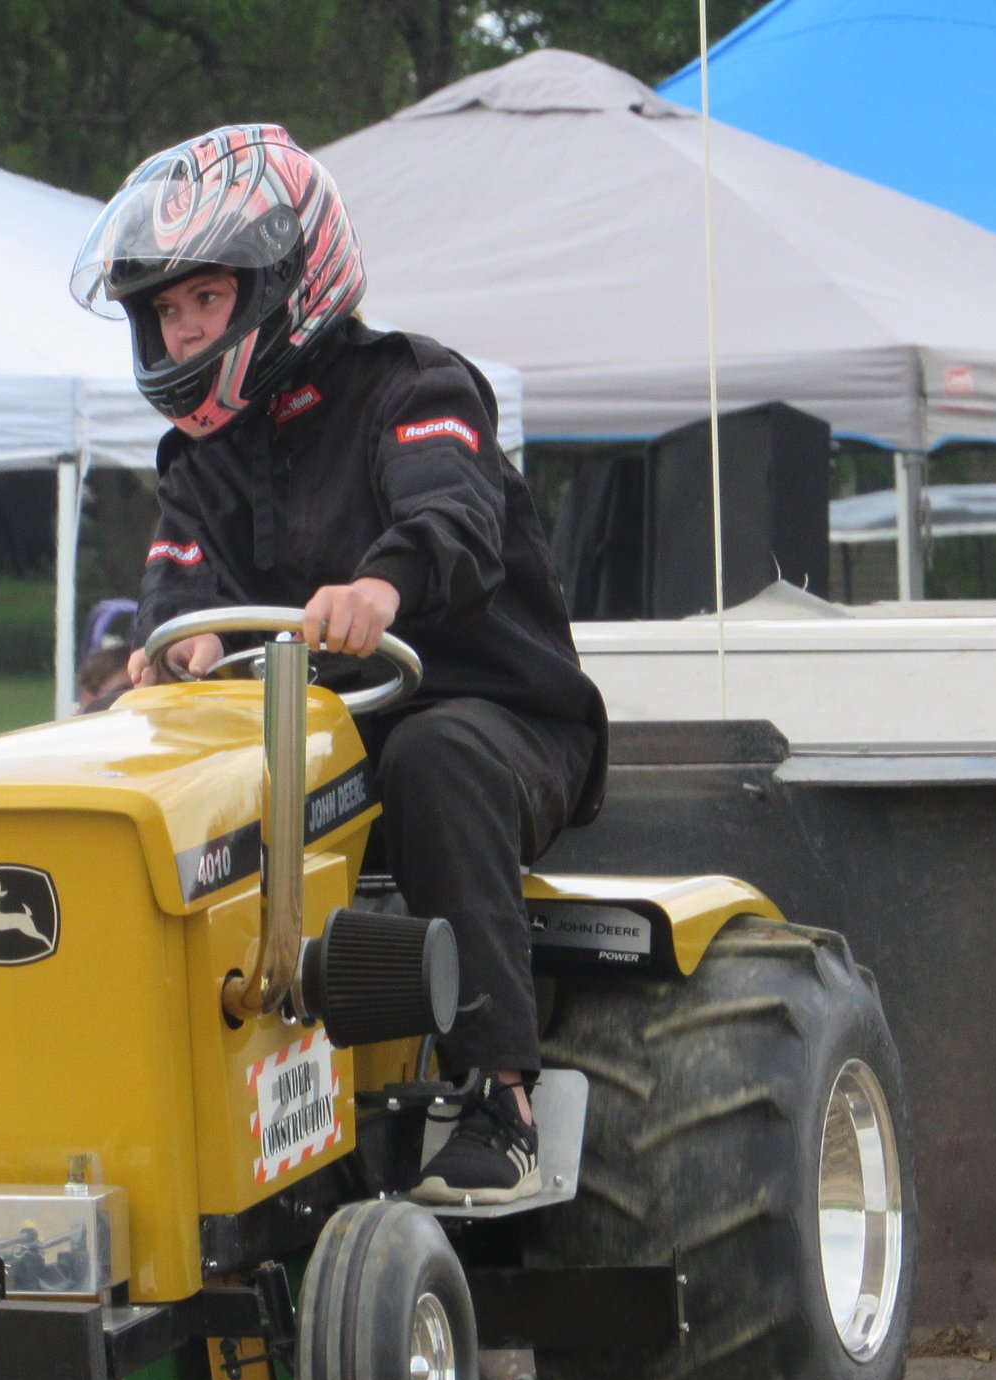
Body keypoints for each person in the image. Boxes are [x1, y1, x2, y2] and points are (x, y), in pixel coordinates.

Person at [73, 124, 608, 1204]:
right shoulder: (202, 456)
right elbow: (179, 586)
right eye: (166, 310)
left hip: (498, 722)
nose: (184, 328)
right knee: (132, 771)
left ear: (288, 280)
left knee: (433, 756)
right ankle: (132, 1110)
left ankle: (499, 1098)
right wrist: (181, 644)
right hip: (312, 746)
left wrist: (383, 587)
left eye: (207, 298)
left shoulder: (419, 389)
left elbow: (452, 520)